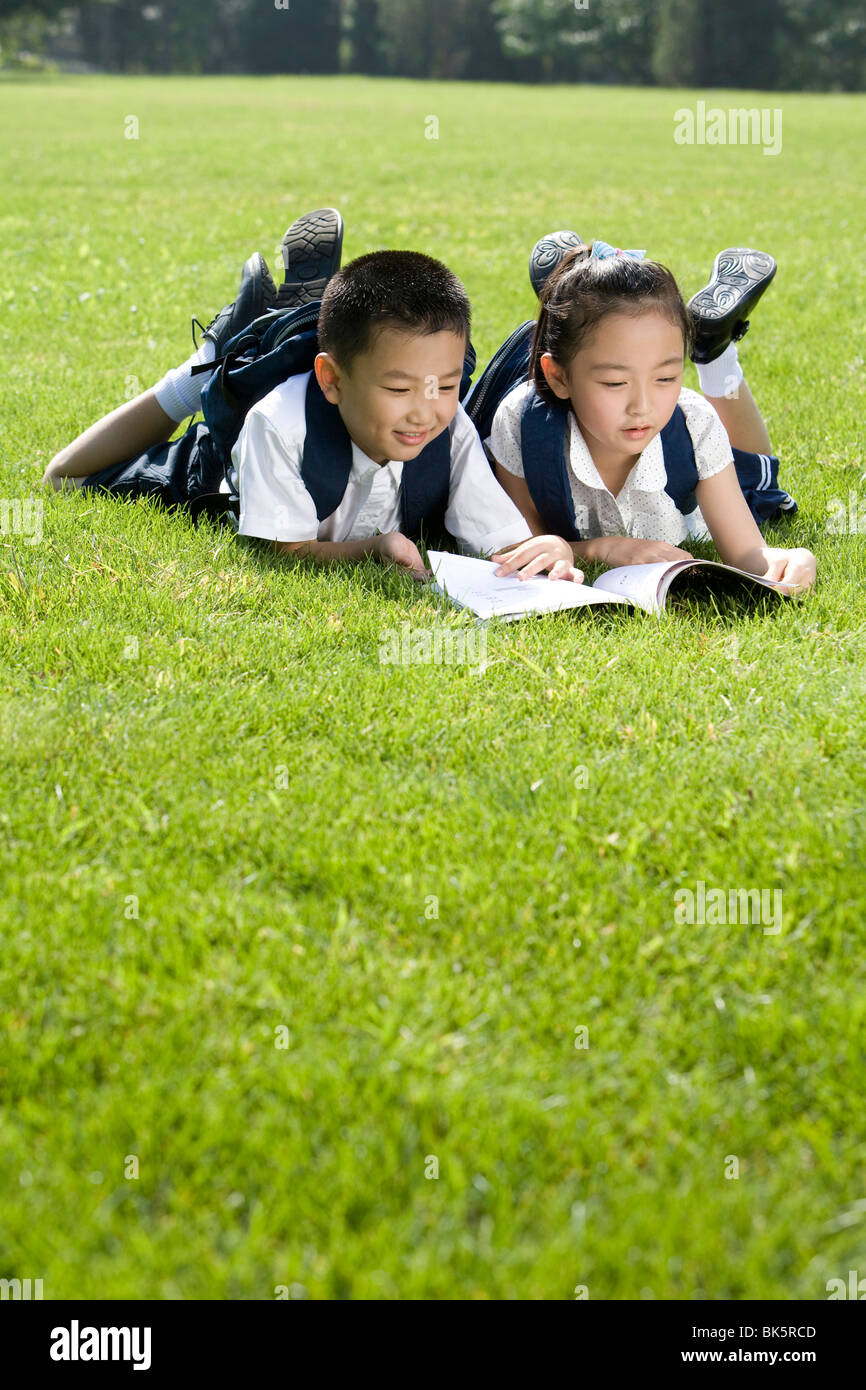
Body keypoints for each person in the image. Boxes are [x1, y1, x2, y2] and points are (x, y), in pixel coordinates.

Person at [44, 211, 536, 580]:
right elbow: (284, 552)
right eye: (398, 387)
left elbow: (502, 541)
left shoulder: (448, 428)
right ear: (331, 380)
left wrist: (549, 551)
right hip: (209, 469)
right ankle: (210, 367)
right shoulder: (279, 424)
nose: (425, 410)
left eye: (446, 386)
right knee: (64, 479)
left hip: (340, 370)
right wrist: (374, 548)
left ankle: (287, 326)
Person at [487, 239, 817, 594]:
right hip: (556, 390)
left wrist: (789, 561)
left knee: (758, 485)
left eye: (666, 378)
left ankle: (714, 350)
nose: (642, 405)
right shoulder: (522, 423)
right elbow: (521, 545)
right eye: (614, 382)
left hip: (696, 482)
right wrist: (603, 549)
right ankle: (571, 291)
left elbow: (749, 553)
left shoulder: (692, 423)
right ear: (559, 376)